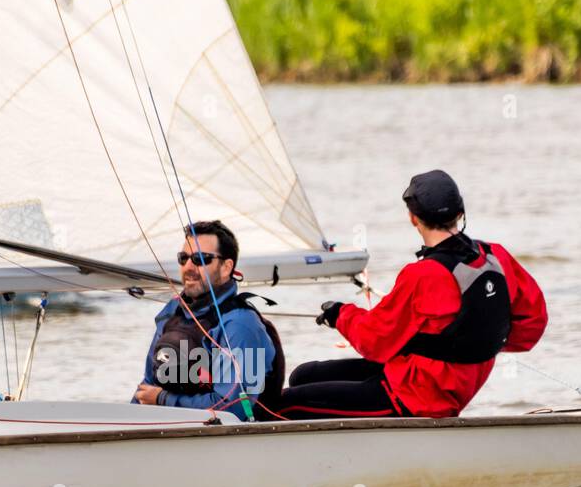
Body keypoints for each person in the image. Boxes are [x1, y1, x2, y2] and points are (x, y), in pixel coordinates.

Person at [273, 169, 547, 420]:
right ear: (460, 212)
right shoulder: (496, 255)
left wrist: (340, 314)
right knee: (303, 375)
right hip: (432, 379)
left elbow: (373, 341)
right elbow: (531, 325)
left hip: (415, 397)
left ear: (413, 217)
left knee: (281, 404)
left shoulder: (423, 274)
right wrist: (477, 344)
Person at [133, 220, 284, 420]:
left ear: (226, 267)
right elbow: (147, 388)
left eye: (200, 259)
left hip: (239, 438)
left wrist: (163, 400)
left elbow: (235, 406)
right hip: (179, 430)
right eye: (183, 258)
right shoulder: (172, 312)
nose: (188, 267)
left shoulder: (241, 324)